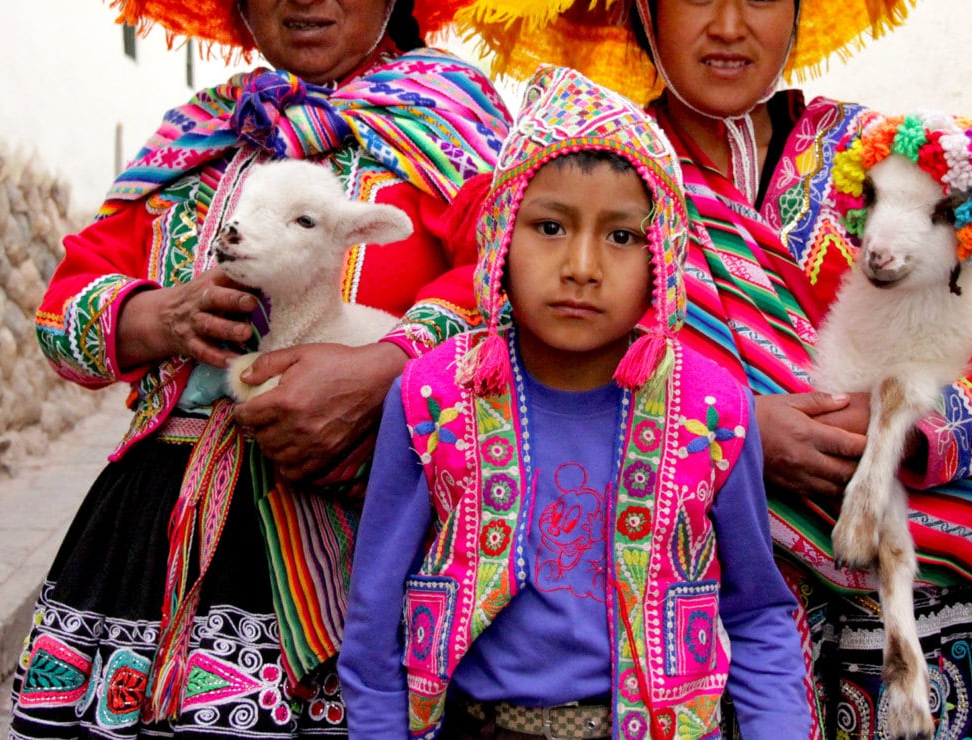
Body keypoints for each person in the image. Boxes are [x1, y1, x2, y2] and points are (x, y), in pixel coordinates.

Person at [461, 0, 972, 740]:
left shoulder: (883, 160)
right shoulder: (602, 179)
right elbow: (530, 363)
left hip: (916, 632)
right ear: (645, 7)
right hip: (713, 626)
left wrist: (905, 435)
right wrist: (741, 426)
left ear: (797, 8)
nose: (728, 27)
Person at [11, 0, 540, 738]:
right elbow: (63, 314)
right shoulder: (198, 138)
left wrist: (384, 372)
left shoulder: (457, 126)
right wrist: (160, 317)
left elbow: (515, 280)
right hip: (163, 529)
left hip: (382, 512)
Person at [338, 65, 812, 739]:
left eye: (621, 236)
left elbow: (758, 613)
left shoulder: (712, 411)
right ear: (502, 234)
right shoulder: (433, 397)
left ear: (662, 254)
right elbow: (374, 616)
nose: (581, 266)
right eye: (550, 227)